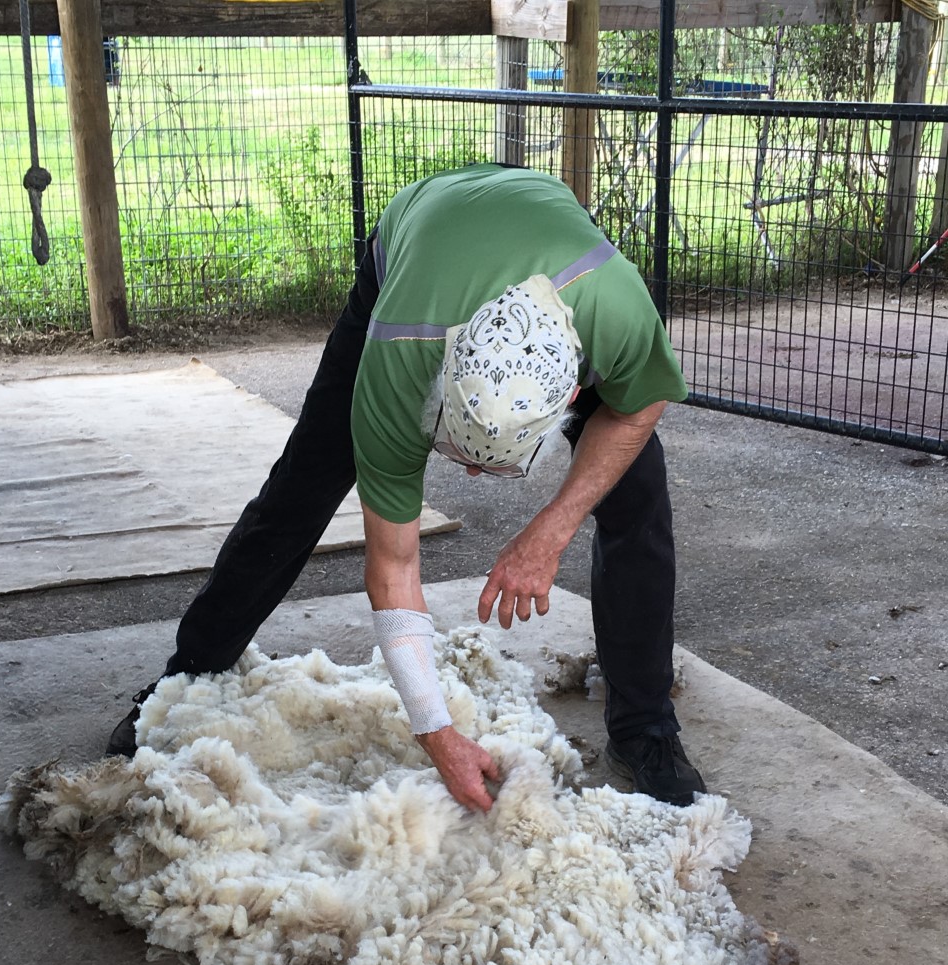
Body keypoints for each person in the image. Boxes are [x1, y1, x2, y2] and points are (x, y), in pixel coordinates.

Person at [108, 163, 705, 811]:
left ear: (574, 391)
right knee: (307, 480)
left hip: (543, 233)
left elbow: (639, 409)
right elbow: (393, 570)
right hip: (415, 244)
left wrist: (553, 528)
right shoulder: (398, 363)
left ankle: (645, 726)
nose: (470, 476)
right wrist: (437, 733)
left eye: (490, 465)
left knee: (635, 491)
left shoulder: (613, 312)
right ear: (435, 391)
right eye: (458, 451)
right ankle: (188, 674)